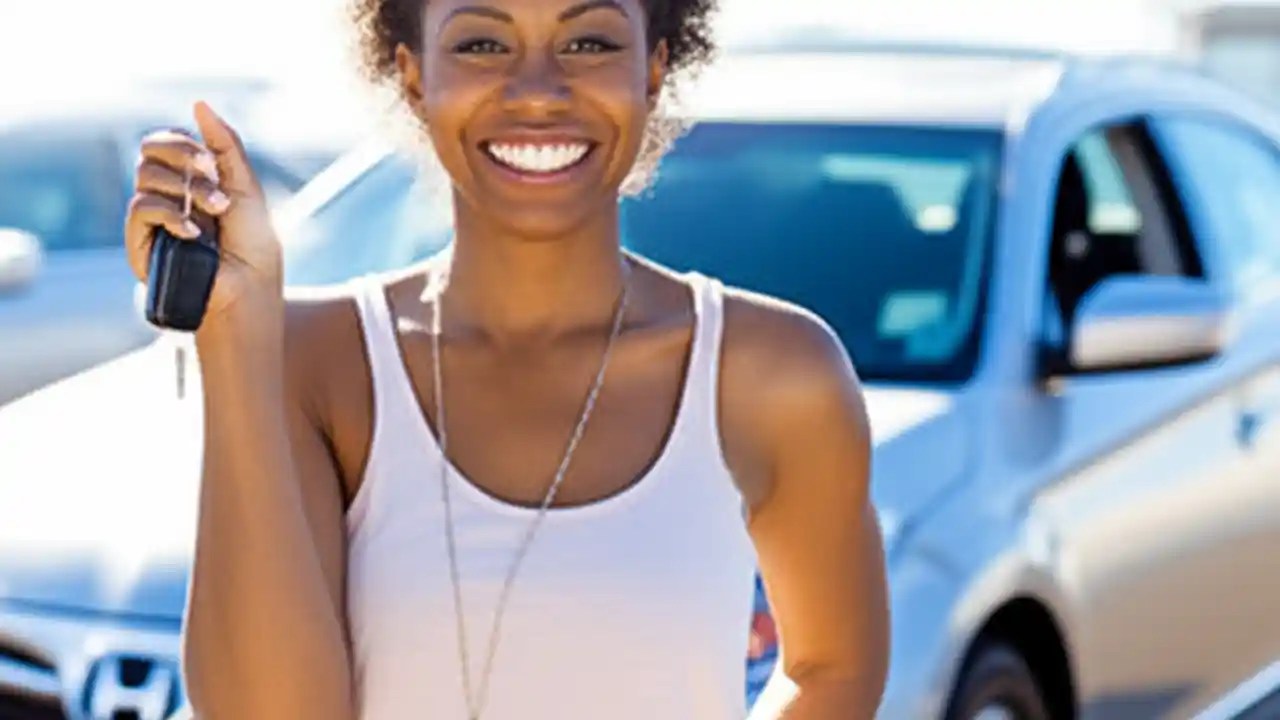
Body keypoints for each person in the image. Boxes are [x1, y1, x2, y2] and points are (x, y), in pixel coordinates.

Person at [124, 0, 890, 717]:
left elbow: (832, 668)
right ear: (414, 75)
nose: (536, 91)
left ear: (653, 71)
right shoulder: (315, 363)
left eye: (588, 41)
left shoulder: (773, 373)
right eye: (482, 43)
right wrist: (233, 337)